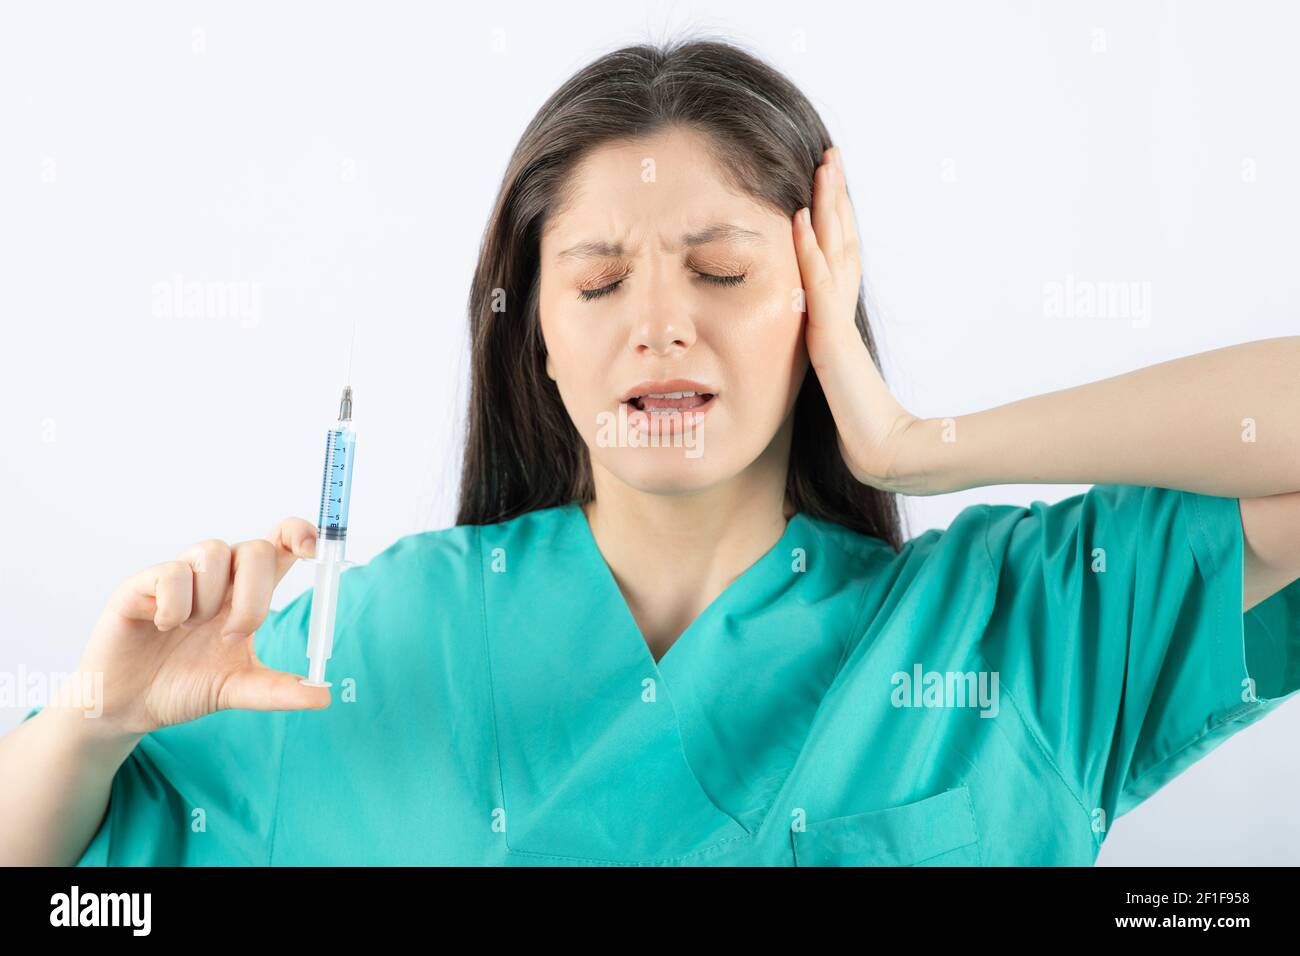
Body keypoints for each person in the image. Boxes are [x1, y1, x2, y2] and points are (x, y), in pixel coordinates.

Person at [3, 37, 1298, 867]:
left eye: (725, 270)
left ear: (818, 303)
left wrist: (919, 444)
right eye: (600, 280)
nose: (662, 323)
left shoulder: (1023, 627)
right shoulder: (364, 647)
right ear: (538, 341)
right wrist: (91, 727)